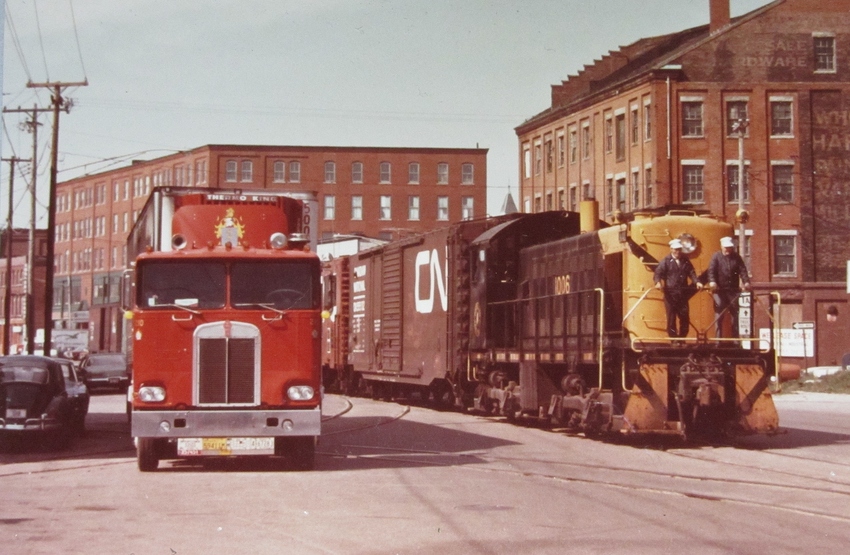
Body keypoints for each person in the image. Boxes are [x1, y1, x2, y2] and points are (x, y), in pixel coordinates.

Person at [654, 238, 703, 338]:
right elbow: (658, 273)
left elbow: (691, 272)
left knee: (684, 318)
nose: (678, 252)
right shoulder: (666, 261)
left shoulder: (685, 261)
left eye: (679, 249)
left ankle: (682, 338)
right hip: (670, 295)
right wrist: (658, 282)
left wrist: (697, 282)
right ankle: (674, 340)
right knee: (671, 319)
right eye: (675, 249)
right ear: (671, 249)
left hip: (682, 295)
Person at [707, 236, 750, 338]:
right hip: (719, 290)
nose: (728, 249)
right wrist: (712, 282)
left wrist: (746, 282)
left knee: (735, 314)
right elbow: (711, 270)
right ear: (722, 247)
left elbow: (742, 270)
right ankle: (718, 340)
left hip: (732, 290)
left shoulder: (736, 257)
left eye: (730, 247)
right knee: (719, 313)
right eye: (726, 247)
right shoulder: (716, 257)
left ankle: (735, 340)